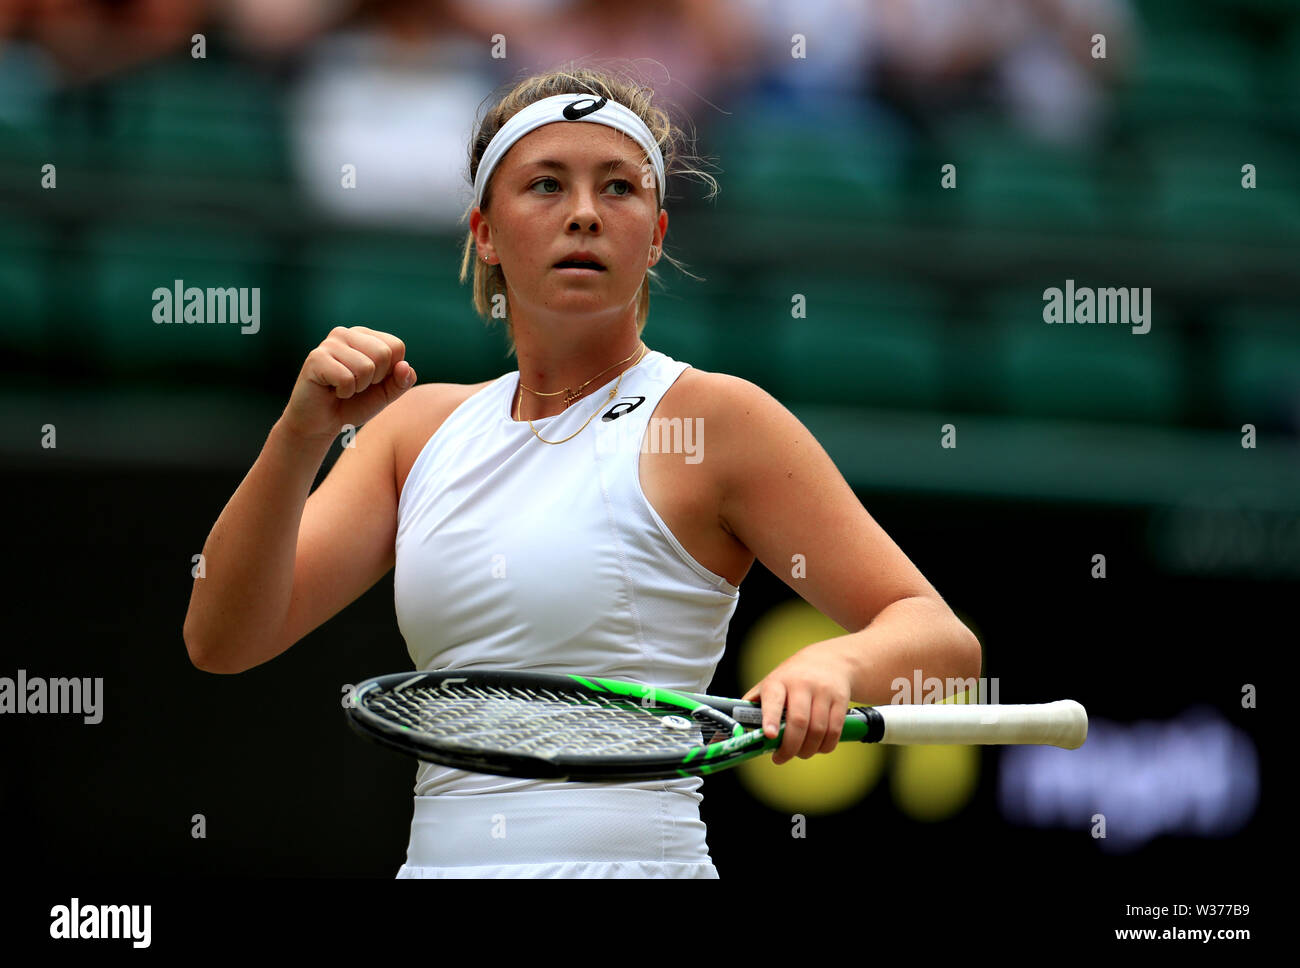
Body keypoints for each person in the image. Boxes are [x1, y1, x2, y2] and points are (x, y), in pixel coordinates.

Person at [182, 64, 982, 878]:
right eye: (544, 185)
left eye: (618, 190)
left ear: (657, 233)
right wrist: (298, 437)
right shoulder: (414, 433)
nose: (584, 215)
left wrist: (836, 664)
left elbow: (943, 645)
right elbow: (221, 639)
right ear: (484, 231)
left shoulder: (717, 420)